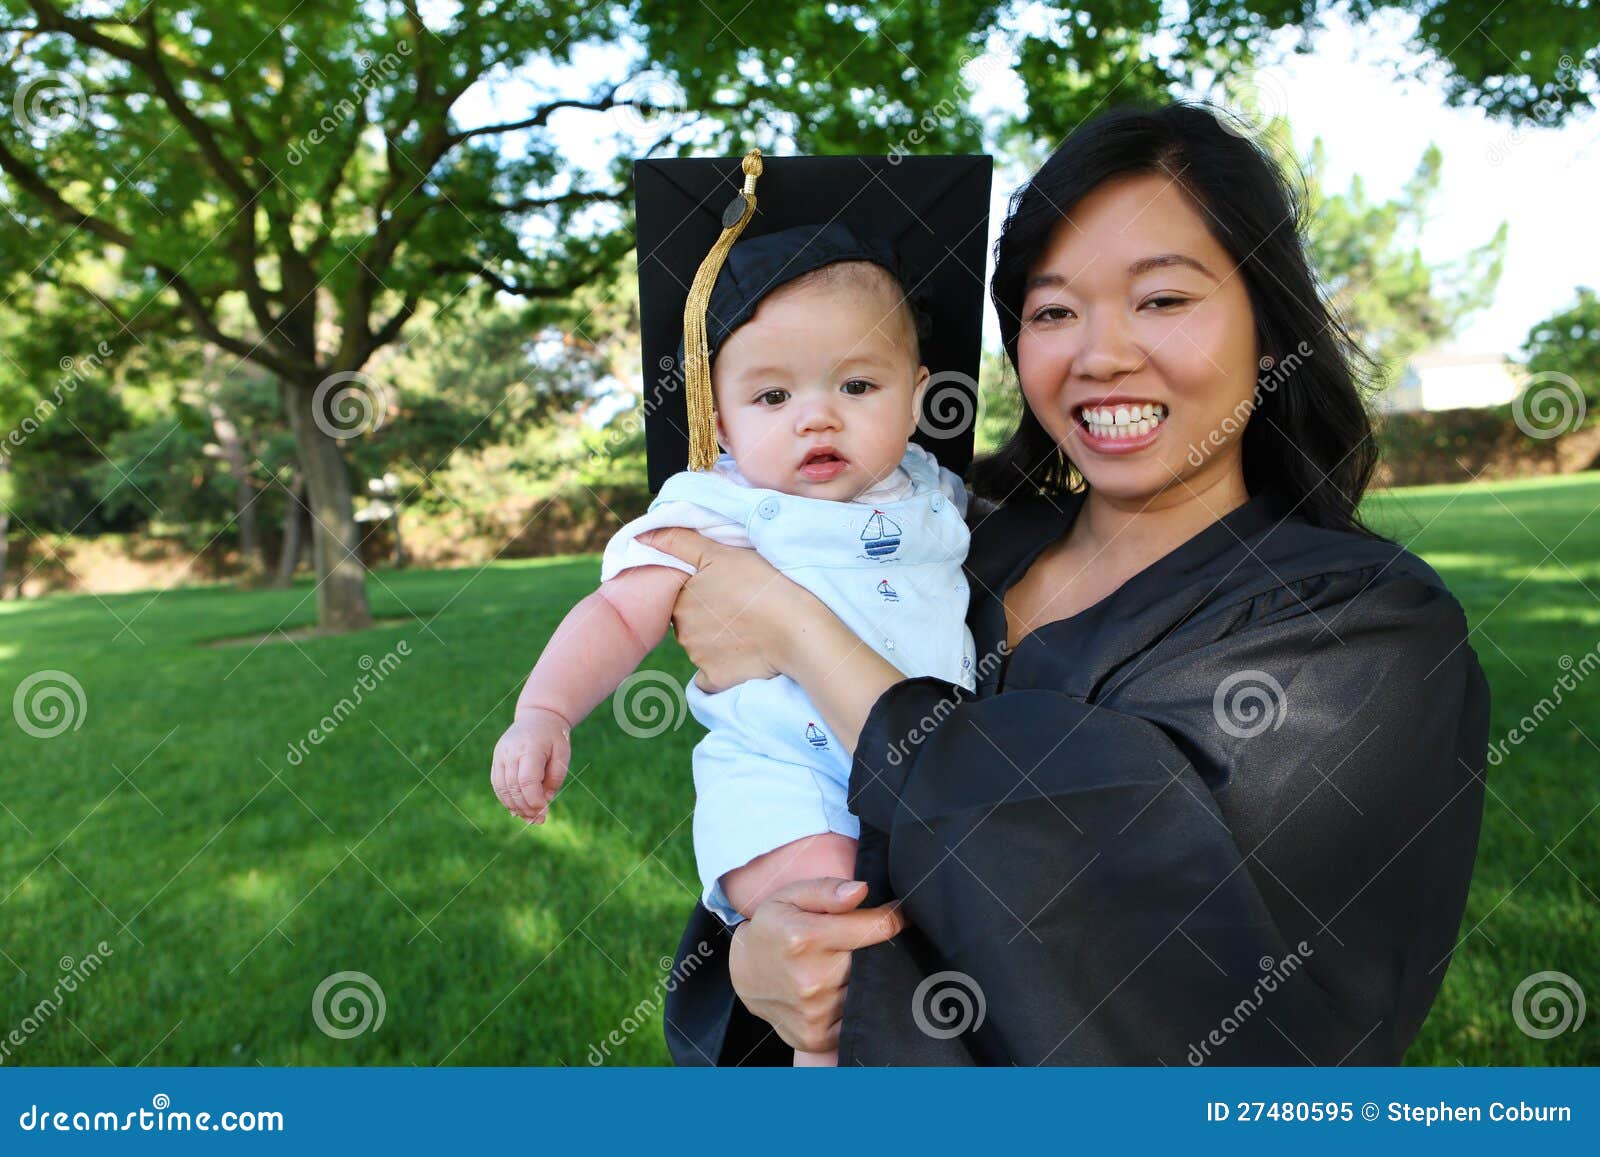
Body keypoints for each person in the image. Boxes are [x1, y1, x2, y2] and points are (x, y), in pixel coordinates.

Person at [639, 103, 1492, 1065]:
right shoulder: (947, 545)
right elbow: (794, 800)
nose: (1100, 354)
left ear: (1268, 327)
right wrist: (758, 951)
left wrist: (794, 629)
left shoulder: (1366, 623)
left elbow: (1129, 920)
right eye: (1052, 311)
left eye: (1163, 299)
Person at [488, 151, 994, 1066]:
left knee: (941, 930)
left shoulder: (933, 489)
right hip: (784, 784)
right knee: (840, 931)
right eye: (772, 394)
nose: (818, 417)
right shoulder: (711, 506)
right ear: (720, 414)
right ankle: (812, 1066)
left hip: (924, 776)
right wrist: (545, 708)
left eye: (858, 385)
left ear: (919, 398)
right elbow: (616, 615)